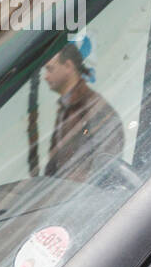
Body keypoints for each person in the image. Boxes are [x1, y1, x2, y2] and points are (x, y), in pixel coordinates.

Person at [41, 43, 125, 182]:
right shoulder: (67, 107)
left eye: (50, 69)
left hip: (83, 196)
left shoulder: (94, 107)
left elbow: (106, 162)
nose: (45, 77)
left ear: (68, 66)